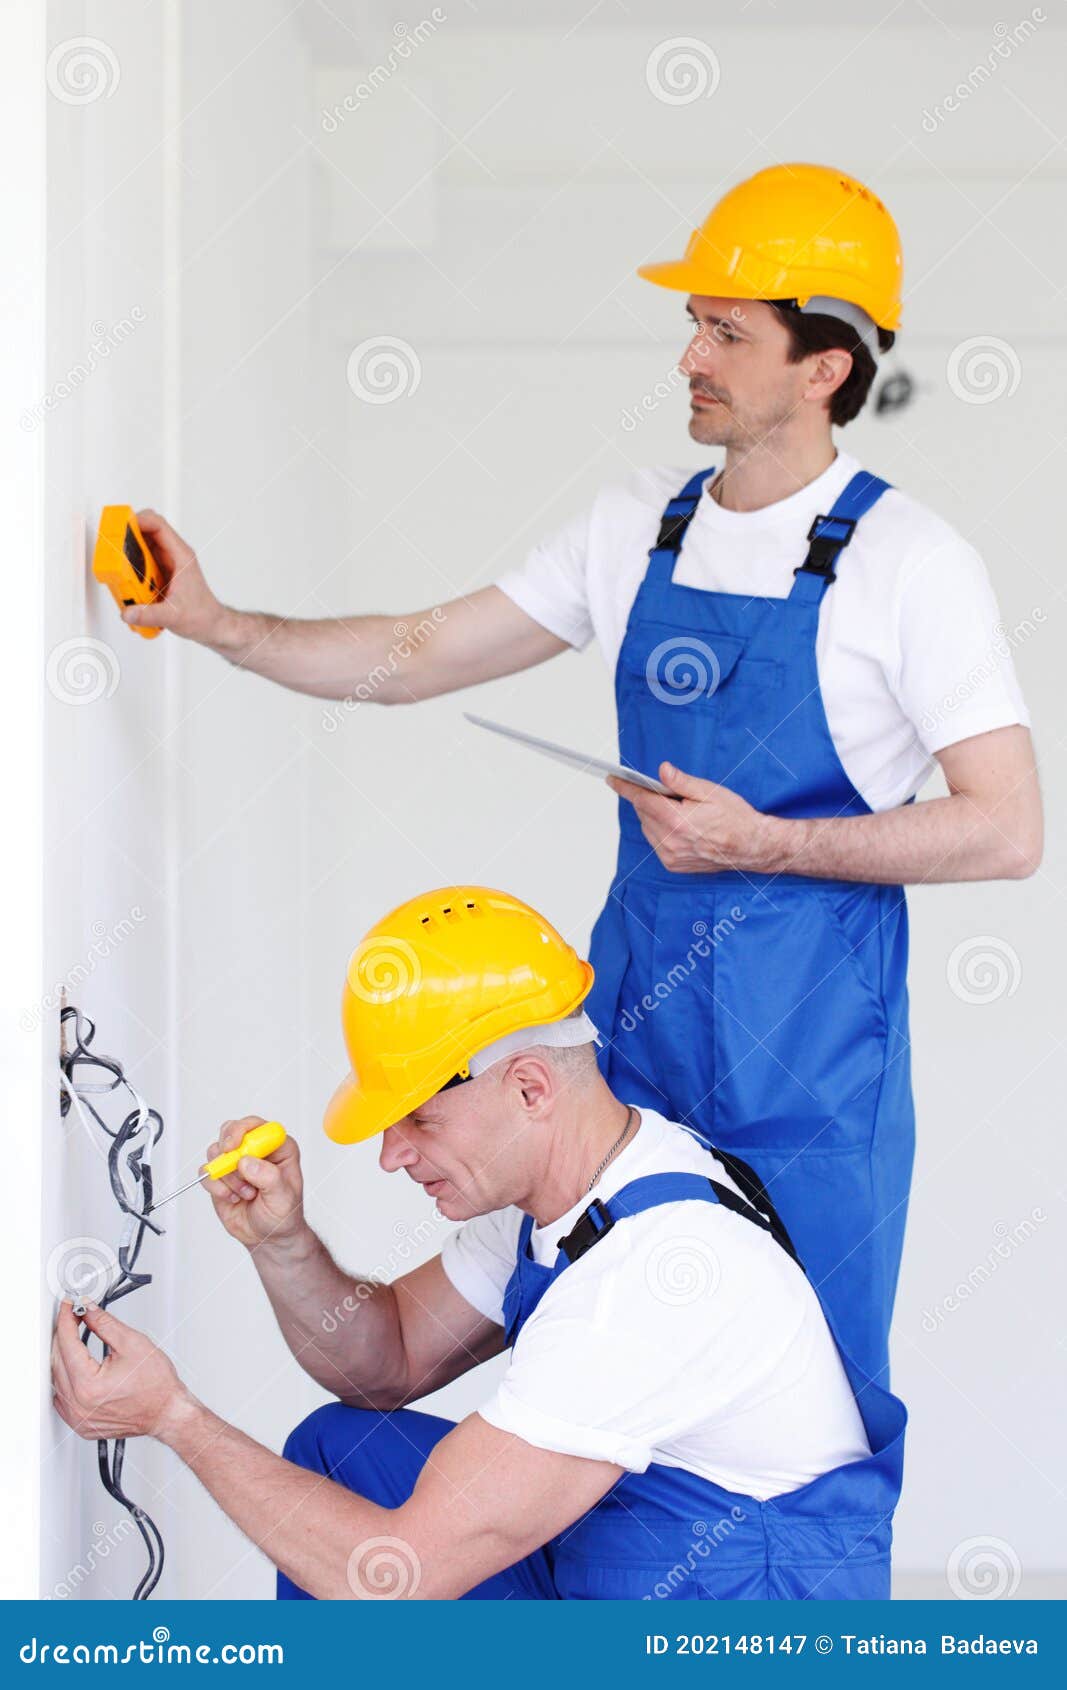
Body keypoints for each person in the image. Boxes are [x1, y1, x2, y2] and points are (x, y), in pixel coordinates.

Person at [119, 163, 1042, 1380]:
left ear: (823, 368)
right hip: (634, 1034)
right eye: (690, 325)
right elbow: (413, 655)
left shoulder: (908, 563)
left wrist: (768, 841)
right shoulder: (631, 528)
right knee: (594, 1369)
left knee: (793, 1403)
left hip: (810, 1075)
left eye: (726, 332)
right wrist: (218, 622)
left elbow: (1005, 828)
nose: (688, 358)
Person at [52, 886, 905, 1601]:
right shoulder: (566, 1194)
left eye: (417, 1118)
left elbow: (396, 1574)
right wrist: (281, 1242)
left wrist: (174, 1417)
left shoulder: (655, 1276)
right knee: (343, 1451)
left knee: (392, 1555)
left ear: (530, 1087)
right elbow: (382, 1360)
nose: (392, 1155)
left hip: (743, 1627)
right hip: (637, 1564)